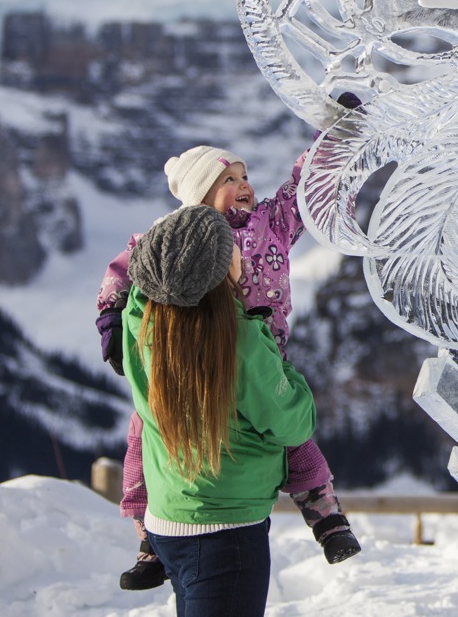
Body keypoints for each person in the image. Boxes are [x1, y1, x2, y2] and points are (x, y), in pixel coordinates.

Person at [97, 140, 359, 591]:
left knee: (295, 442)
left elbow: (305, 189)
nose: (244, 185)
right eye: (229, 179)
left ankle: (327, 519)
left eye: (244, 176)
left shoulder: (269, 224)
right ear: (199, 194)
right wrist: (110, 321)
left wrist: (335, 139)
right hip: (188, 358)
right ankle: (148, 543)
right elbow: (124, 269)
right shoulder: (172, 234)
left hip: (260, 351)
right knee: (145, 438)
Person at [122, 204, 316, 617]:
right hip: (227, 532)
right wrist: (278, 360)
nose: (241, 255)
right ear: (214, 271)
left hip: (166, 522)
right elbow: (295, 422)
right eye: (231, 250)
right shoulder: (241, 344)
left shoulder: (140, 324)